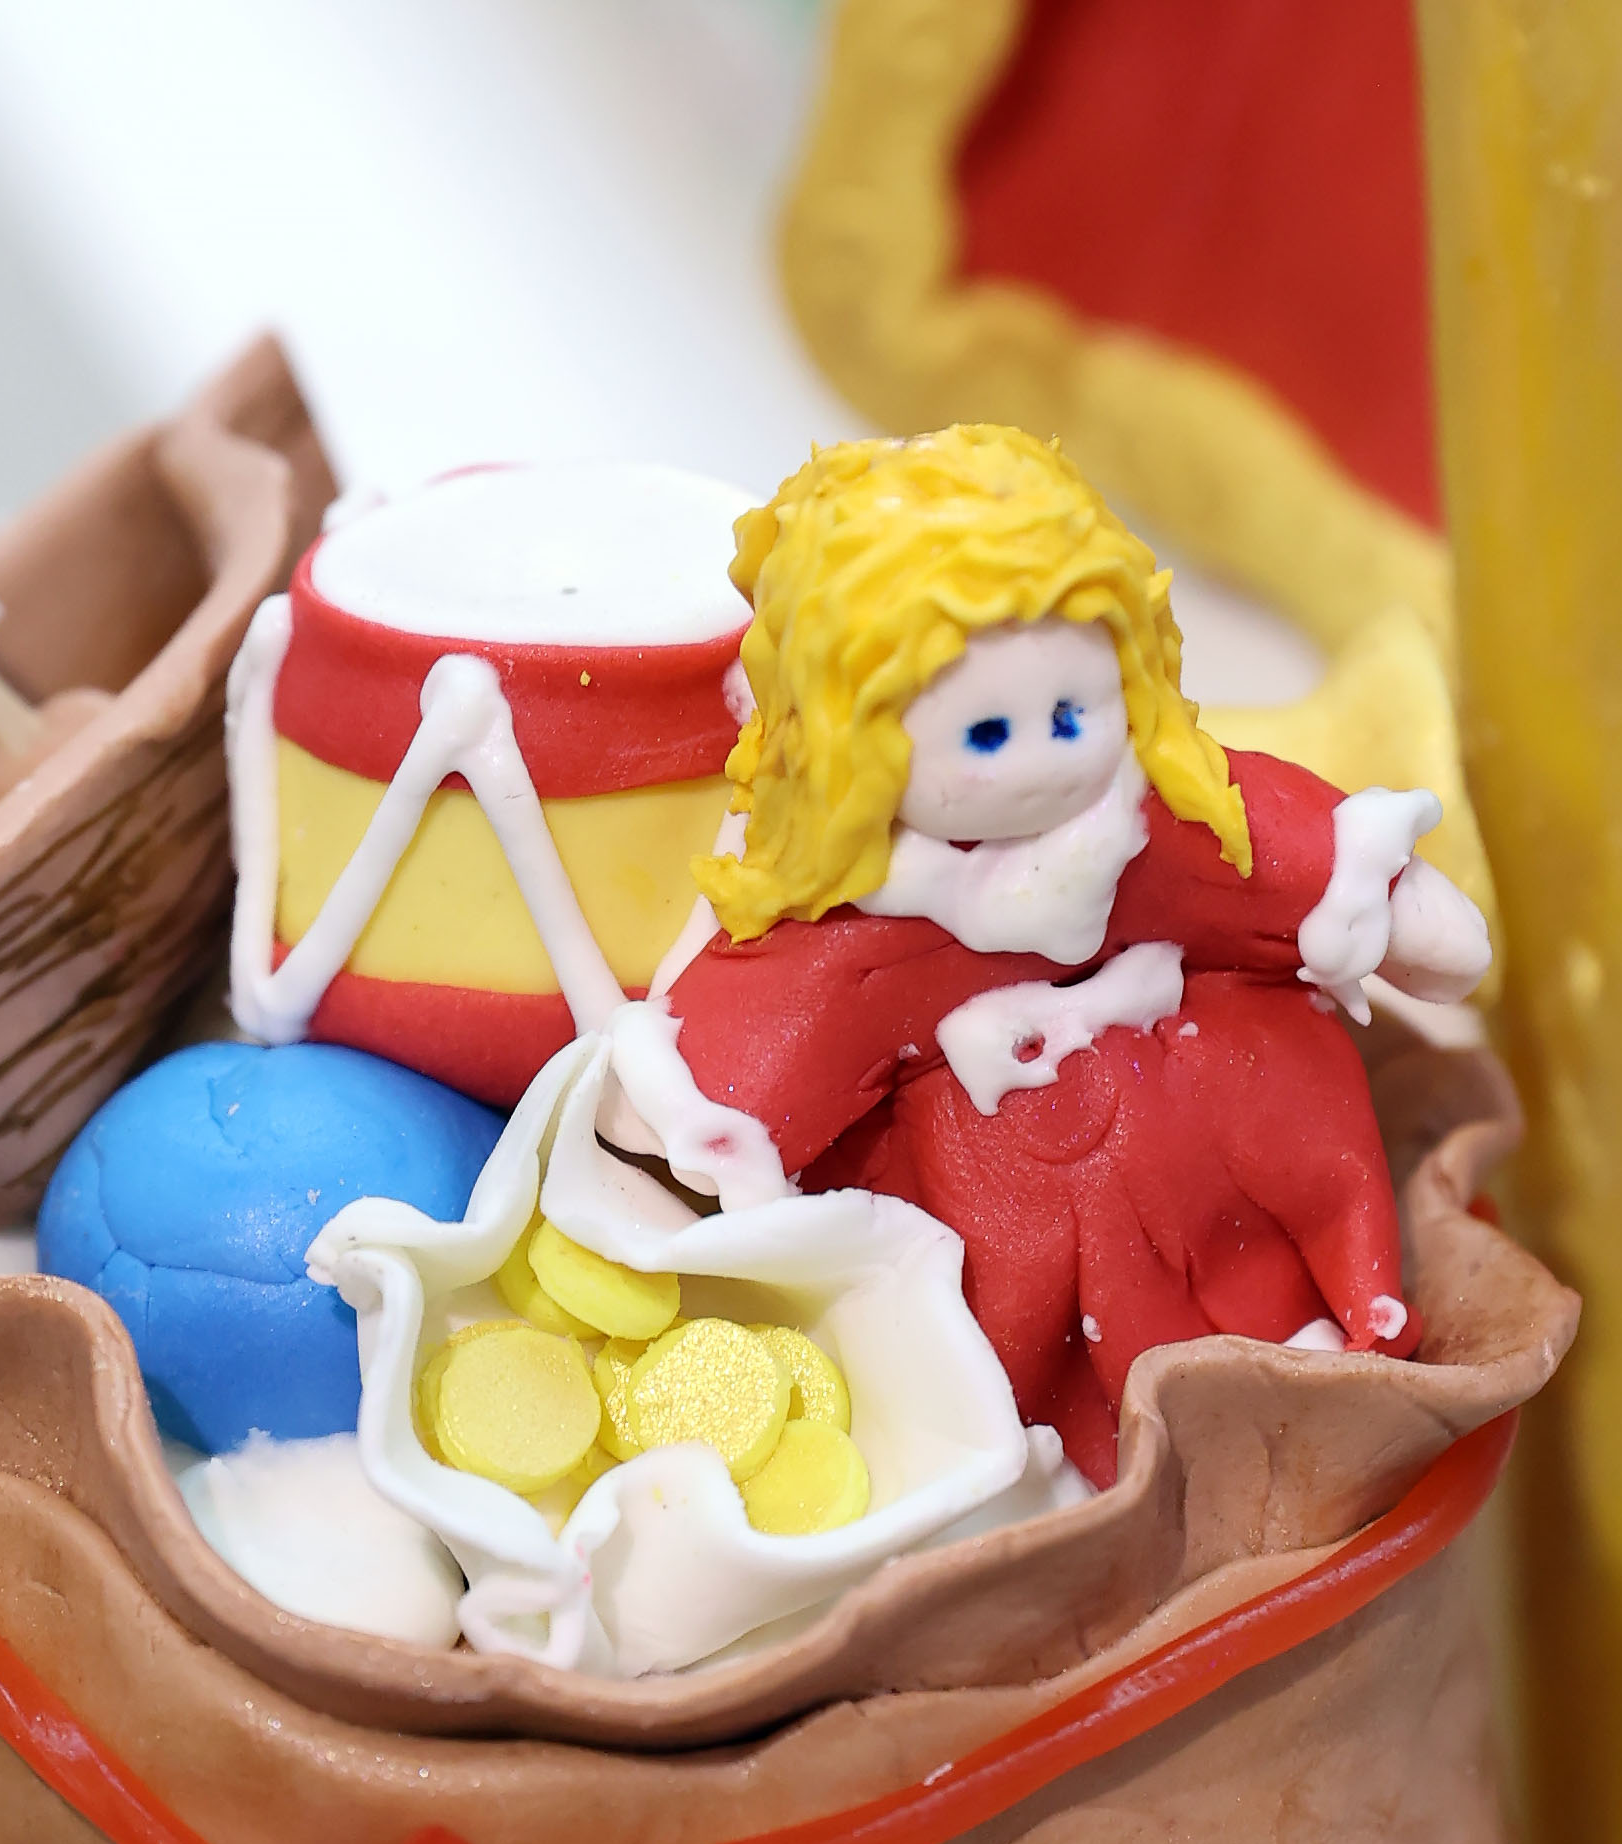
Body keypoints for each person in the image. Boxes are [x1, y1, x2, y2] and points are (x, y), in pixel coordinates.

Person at [609, 426, 1488, 1485]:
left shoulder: (1150, 818)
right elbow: (731, 1070)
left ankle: (1308, 1326)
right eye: (983, 736)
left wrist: (1392, 902)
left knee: (1269, 1069)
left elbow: (1281, 851)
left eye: (1073, 710)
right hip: (1005, 1227)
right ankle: (1061, 1451)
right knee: (1003, 1199)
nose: (1040, 759)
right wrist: (674, 1122)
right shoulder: (864, 916)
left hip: (1229, 1124)